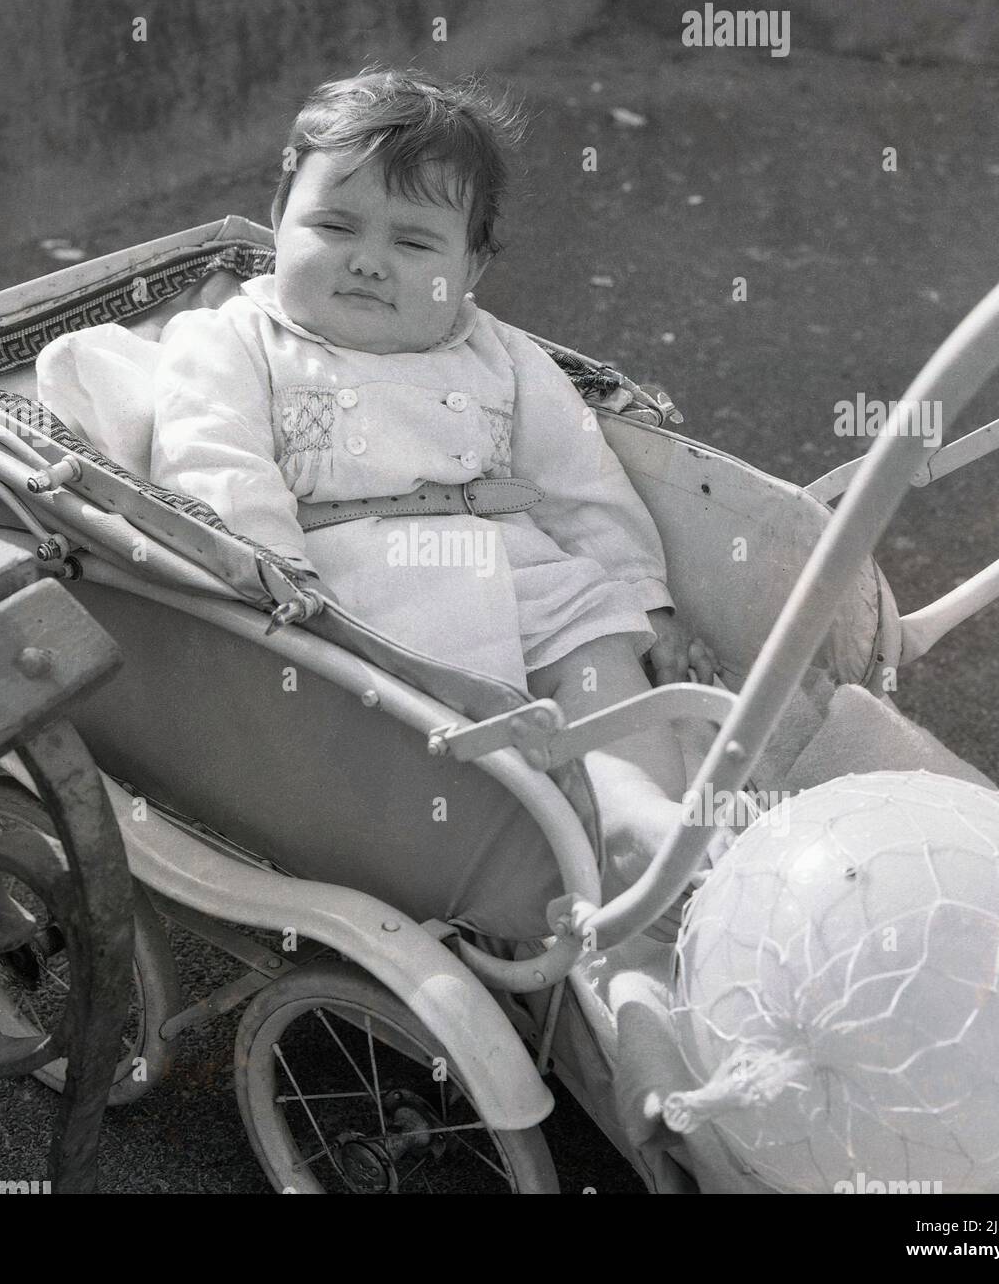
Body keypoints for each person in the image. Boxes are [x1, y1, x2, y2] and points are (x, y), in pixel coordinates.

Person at [150, 69, 719, 921]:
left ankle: (641, 814)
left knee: (599, 646)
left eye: (416, 245)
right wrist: (269, 570)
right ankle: (543, 859)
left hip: (518, 562)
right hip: (358, 591)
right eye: (334, 225)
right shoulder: (235, 337)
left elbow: (581, 485)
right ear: (277, 222)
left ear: (472, 265)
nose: (370, 261)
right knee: (453, 734)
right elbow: (213, 457)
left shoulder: (499, 352)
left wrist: (648, 599)